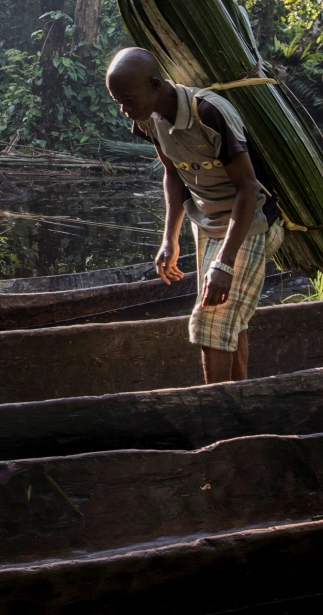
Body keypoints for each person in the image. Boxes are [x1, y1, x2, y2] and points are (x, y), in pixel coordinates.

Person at [104, 46, 281, 384]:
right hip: (206, 219)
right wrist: (169, 238)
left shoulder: (210, 113)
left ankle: (216, 414)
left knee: (208, 322)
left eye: (128, 100)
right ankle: (241, 402)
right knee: (229, 321)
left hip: (248, 220)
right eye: (119, 103)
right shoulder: (148, 120)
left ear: (156, 84)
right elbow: (172, 174)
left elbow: (247, 187)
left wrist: (225, 264)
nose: (125, 111)